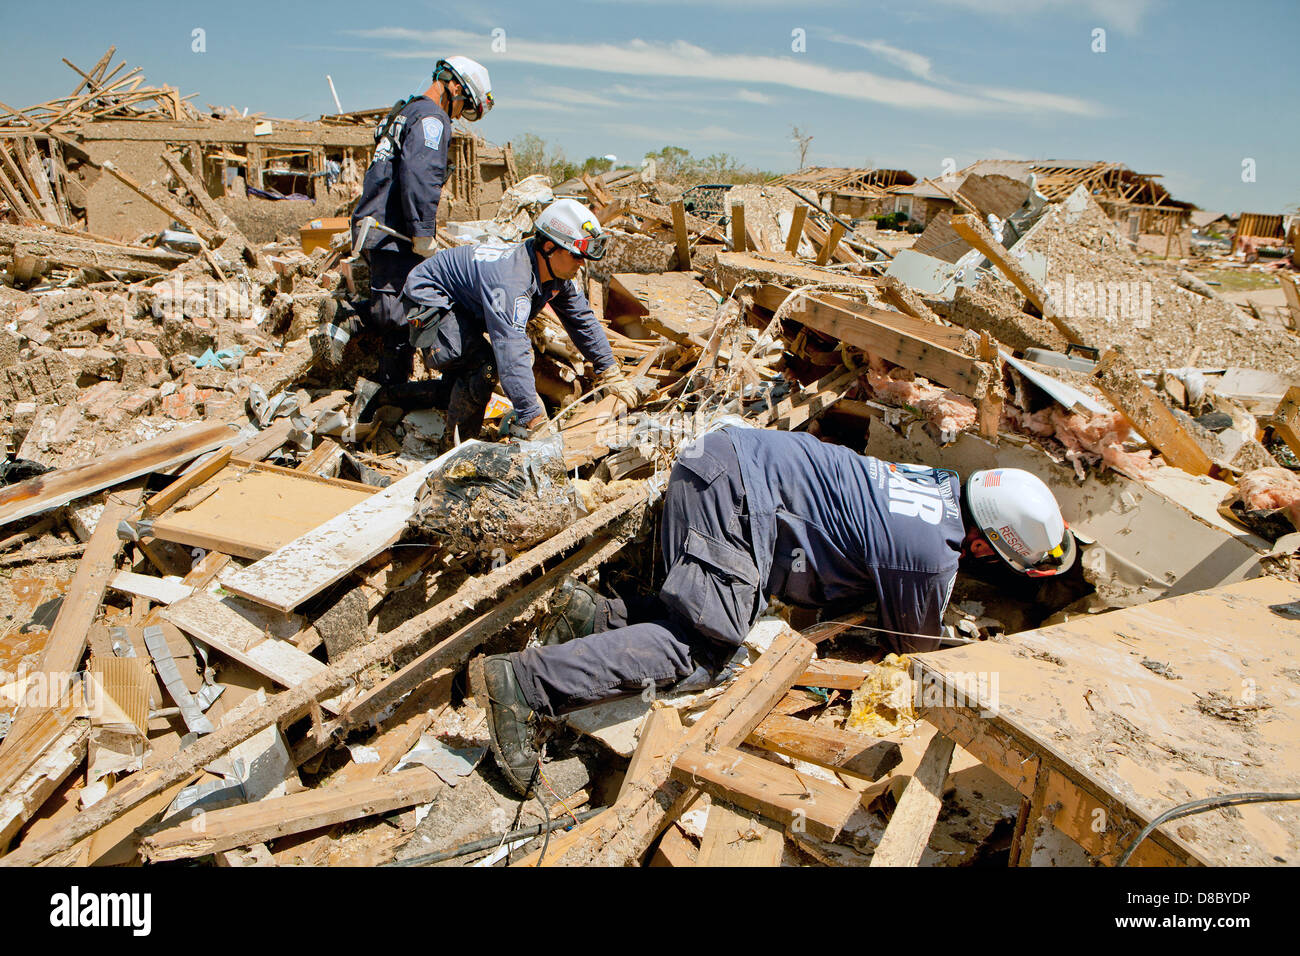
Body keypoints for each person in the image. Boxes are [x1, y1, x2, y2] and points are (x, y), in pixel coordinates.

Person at [470, 425, 1077, 794]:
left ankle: (590, 619)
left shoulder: (941, 484)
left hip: (722, 460)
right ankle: (526, 684)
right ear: (981, 544)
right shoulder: (930, 557)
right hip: (737, 495)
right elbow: (918, 653)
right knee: (702, 649)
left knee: (702, 610)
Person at [363, 198, 637, 446]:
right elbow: (512, 351)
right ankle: (456, 454)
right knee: (484, 368)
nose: (582, 263)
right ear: (550, 246)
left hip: (465, 302)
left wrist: (609, 370)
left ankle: (388, 397)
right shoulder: (512, 283)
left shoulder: (554, 272)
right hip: (431, 296)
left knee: (462, 385)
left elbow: (582, 319)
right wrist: (534, 419)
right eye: (577, 255)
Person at [349, 56, 494, 385]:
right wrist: (422, 234)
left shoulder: (406, 112)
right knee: (399, 317)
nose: (458, 116)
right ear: (454, 87)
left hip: (377, 227)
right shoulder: (432, 119)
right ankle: (352, 323)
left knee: (397, 318)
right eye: (463, 106)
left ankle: (392, 391)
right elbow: (421, 177)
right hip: (393, 235)